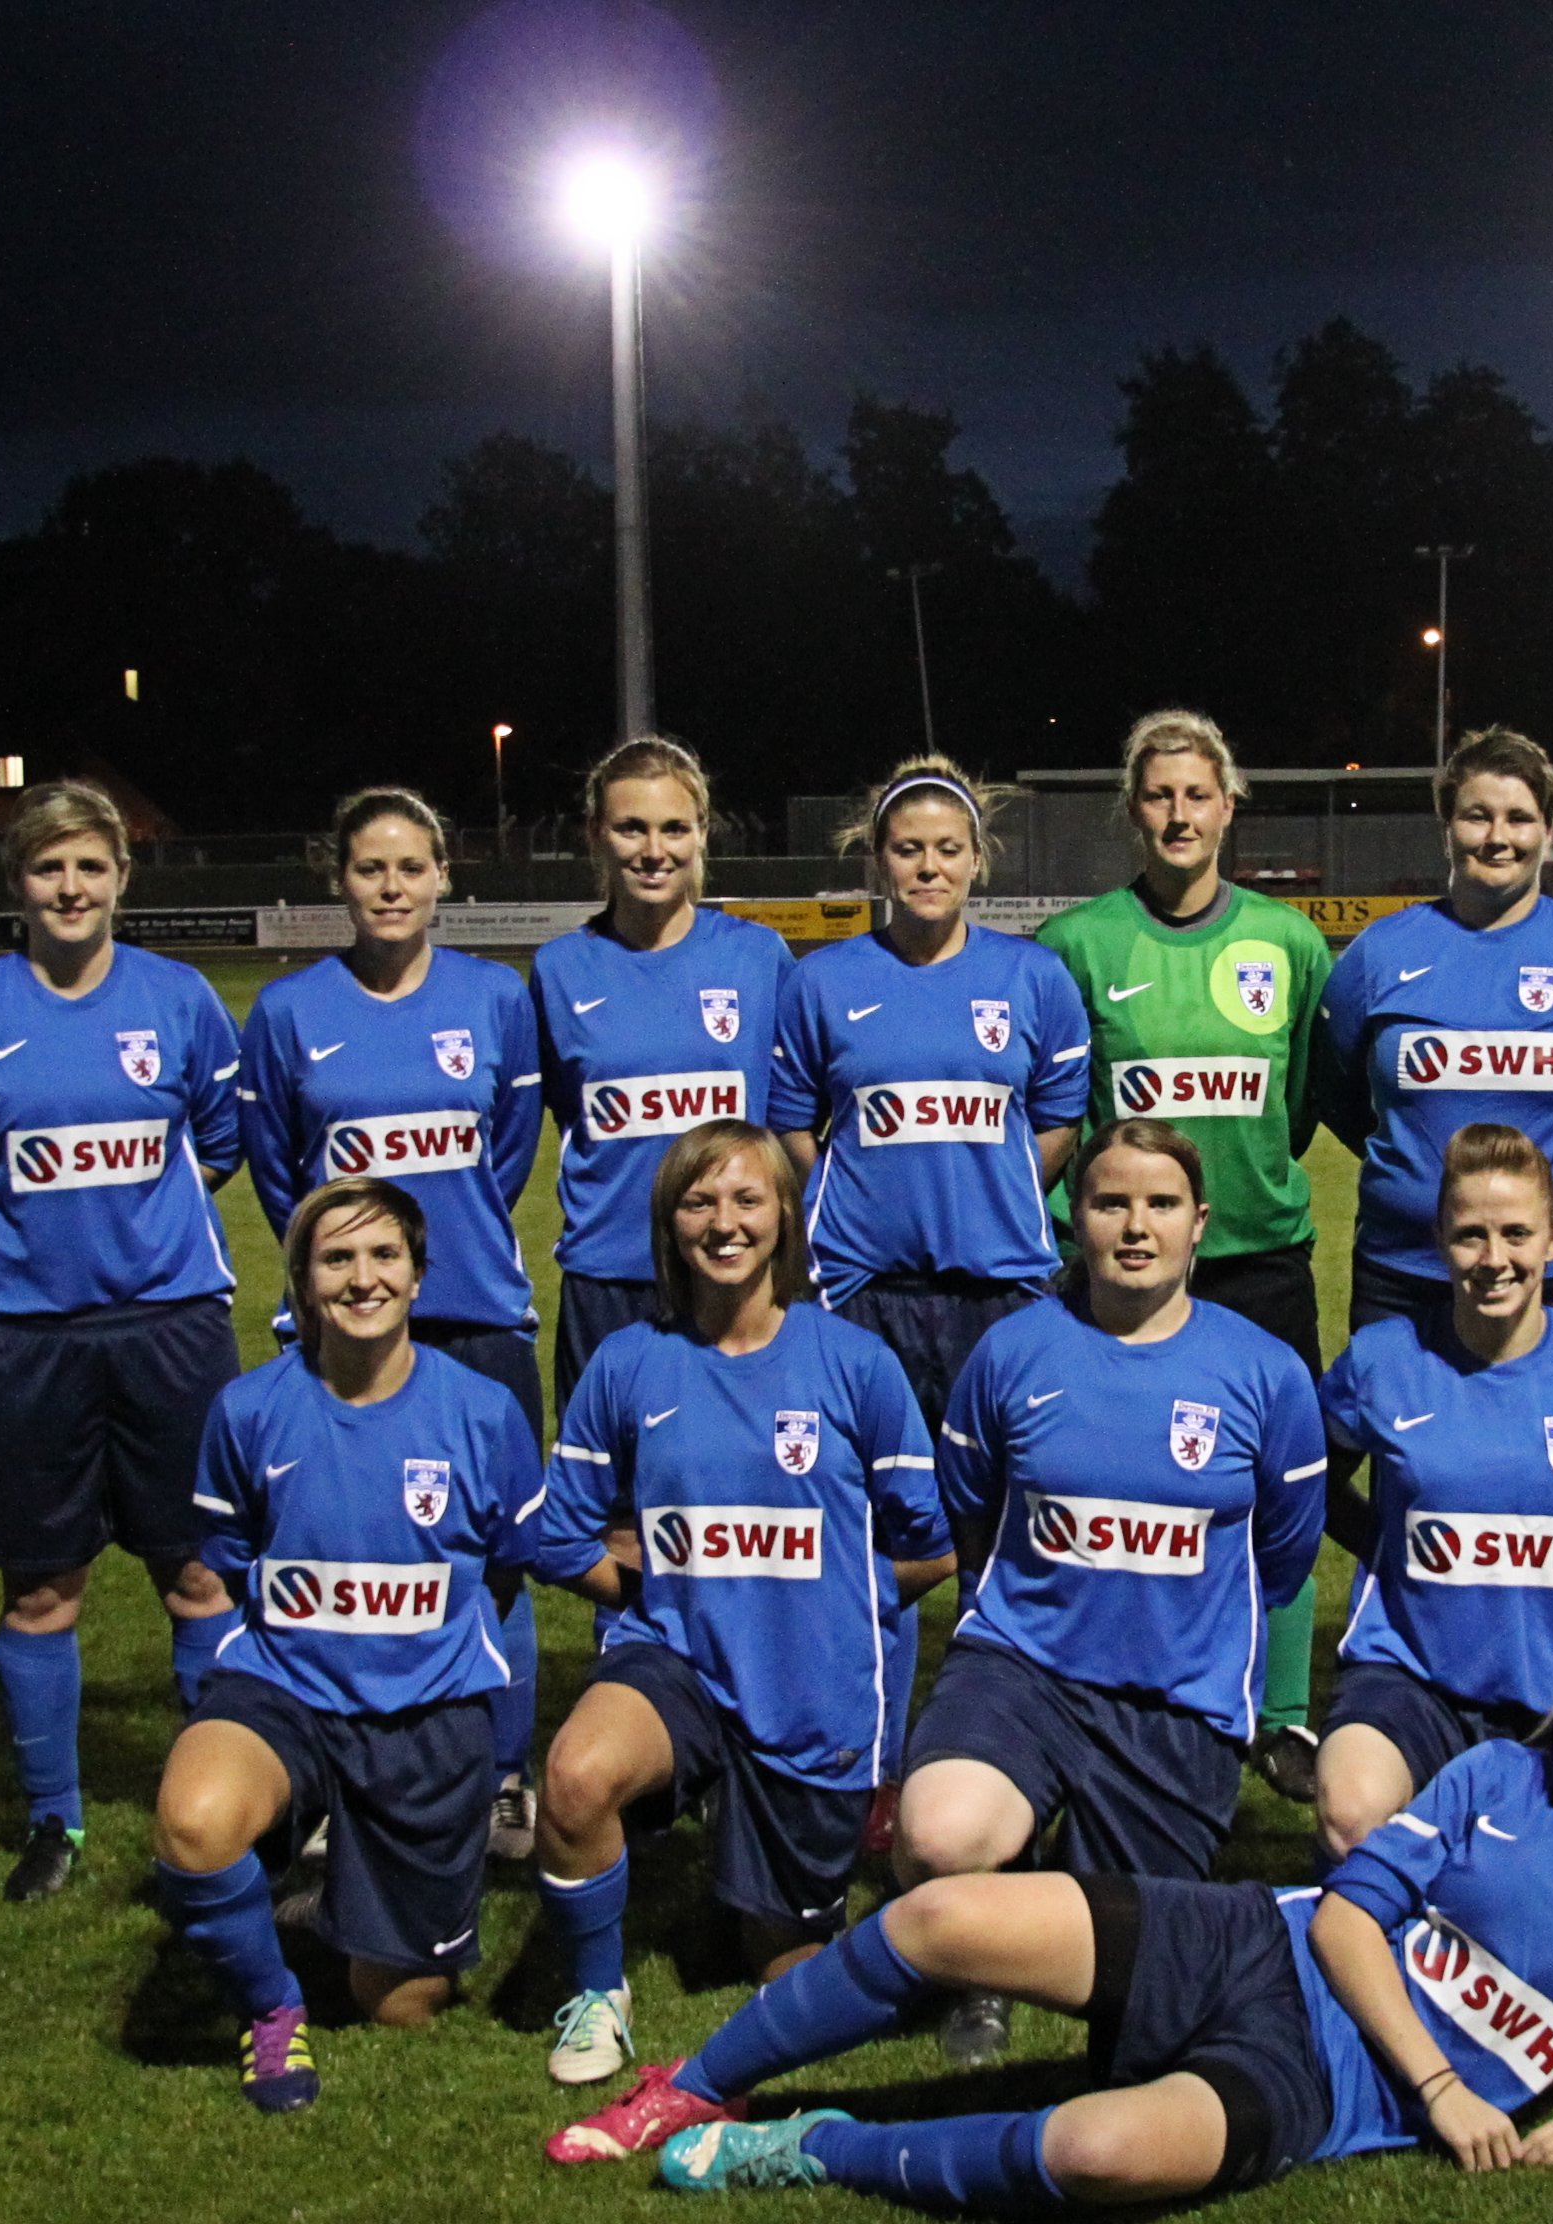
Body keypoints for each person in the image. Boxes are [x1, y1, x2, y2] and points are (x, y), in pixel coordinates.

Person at [549, 1594, 1553, 2211]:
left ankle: (812, 2147)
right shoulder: (1499, 1776)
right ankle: (691, 2084)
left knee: (1094, 2151)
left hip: (1313, 2090)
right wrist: (1446, 2086)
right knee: (938, 1916)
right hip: (1255, 1945)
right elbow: (1346, 1920)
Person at [530, 1123, 955, 2086]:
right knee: (575, 1778)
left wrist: (833, 1596)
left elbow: (930, 1546)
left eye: (746, 1200)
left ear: (785, 1218)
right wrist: (664, 1589)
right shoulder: (628, 1362)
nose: (723, 1223)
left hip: (808, 1683)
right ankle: (596, 1995)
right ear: (668, 1223)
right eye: (698, 1202)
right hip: (672, 1655)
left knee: (786, 1972)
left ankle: (830, 1915)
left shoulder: (855, 1363)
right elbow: (559, 1538)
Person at [895, 1121, 1325, 2065]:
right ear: (1075, 1217)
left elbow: (1284, 1552)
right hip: (1025, 1667)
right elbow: (971, 1512)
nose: (1136, 1227)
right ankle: (977, 1966)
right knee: (937, 1834)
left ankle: (1036, 1885)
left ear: (1198, 1223)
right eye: (1110, 1203)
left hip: (1178, 1696)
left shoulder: (1265, 1373)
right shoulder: (1012, 1353)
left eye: (1160, 1205)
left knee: (1134, 1991)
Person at [0, 781, 250, 1903]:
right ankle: (53, 1819)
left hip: (170, 1324)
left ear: (120, 878)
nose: (70, 887)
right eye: (49, 867)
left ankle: (216, 1802)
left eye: (90, 866)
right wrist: (28, 1245)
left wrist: (136, 1234)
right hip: (22, 1341)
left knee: (199, 1573)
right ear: (19, 882)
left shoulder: (180, 999)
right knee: (42, 1588)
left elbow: (221, 1141)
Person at [149, 1179, 544, 2111]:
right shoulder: (248, 1411)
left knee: (399, 2005)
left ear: (418, 1274)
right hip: (284, 1692)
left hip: (428, 1717)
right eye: (336, 1259)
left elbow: (504, 1570)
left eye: (383, 1255)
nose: (362, 1278)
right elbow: (233, 1559)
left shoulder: (484, 1412)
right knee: (194, 1825)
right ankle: (272, 2006)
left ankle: (347, 1904)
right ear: (301, 1280)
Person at [240, 785, 549, 1865]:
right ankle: (334, 1773)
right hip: (342, 1337)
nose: (390, 887)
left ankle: (502, 1776)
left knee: (497, 1563)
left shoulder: (495, 998)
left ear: (443, 875)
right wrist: (349, 1277)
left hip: (476, 1319)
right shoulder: (288, 1011)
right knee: (345, 1551)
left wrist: (436, 1254)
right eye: (370, 868)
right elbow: (279, 1176)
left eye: (411, 866)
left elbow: (508, 1151)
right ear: (338, 878)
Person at [1038, 710, 1339, 1804]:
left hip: (1256, 1255)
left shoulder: (1289, 944)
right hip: (1120, 1268)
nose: (1178, 814)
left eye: (1196, 794)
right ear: (1134, 809)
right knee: (1121, 1484)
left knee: (1278, 1480)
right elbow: (1059, 1105)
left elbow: (1299, 1101)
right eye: (1159, 795)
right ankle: (1110, 1685)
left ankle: (1285, 1712)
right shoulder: (1075, 945)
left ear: (1228, 805)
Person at [1311, 1123, 1553, 1867]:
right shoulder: (1383, 1361)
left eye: (1515, 1234)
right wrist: (1382, 1543)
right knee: (1351, 1813)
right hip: (1409, 1677)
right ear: (1439, 1240)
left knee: (1547, 1878)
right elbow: (1307, 1484)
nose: (1494, 1258)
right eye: (1470, 1235)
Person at [769, 753, 1092, 1426]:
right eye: (908, 849)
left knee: (995, 1482)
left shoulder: (1034, 976)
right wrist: (842, 1194)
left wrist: (999, 1189)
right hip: (861, 1288)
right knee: (868, 1483)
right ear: (878, 860)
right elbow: (791, 1122)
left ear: (976, 859)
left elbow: (1060, 1117)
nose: (928, 867)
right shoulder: (821, 980)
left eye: (948, 849)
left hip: (1000, 1286)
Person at [1318, 727, 1553, 1336]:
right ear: (1447, 827)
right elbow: (1332, 1093)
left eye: (1519, 818)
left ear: (1548, 832)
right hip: (1407, 1271)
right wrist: (1411, 1172)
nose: (1498, 837)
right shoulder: (1379, 954)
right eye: (1477, 816)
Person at [528, 738, 792, 1417]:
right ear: (596, 833)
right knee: (606, 1479)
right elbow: (545, 1119)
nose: (653, 850)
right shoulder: (559, 971)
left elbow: (792, 1119)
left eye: (674, 828)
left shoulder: (758, 958)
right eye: (631, 828)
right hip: (607, 1280)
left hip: (731, 1273)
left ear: (701, 832)